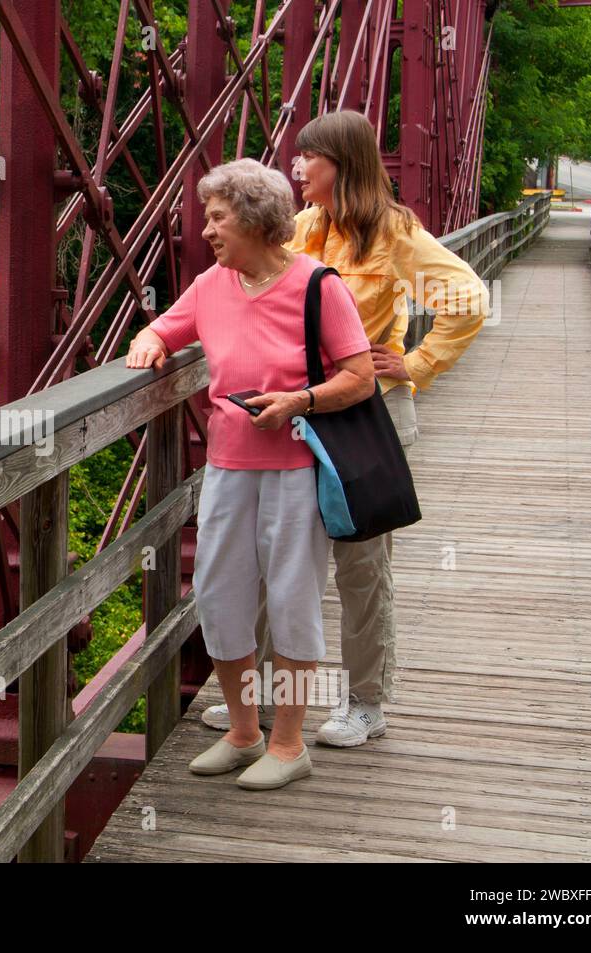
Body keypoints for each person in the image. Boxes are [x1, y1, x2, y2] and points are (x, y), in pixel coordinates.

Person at [201, 110, 490, 745]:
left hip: (365, 415)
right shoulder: (301, 227)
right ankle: (271, 698)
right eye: (297, 157)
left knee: (361, 566)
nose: (297, 167)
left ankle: (366, 702)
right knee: (284, 560)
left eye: (310, 157)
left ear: (344, 162)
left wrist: (415, 363)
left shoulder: (396, 234)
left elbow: (469, 299)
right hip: (297, 415)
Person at [126, 158, 374, 790]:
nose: (206, 231)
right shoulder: (211, 286)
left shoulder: (319, 285)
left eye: (217, 218)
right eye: (206, 218)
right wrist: (152, 339)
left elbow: (360, 376)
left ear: (259, 220)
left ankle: (289, 744)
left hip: (295, 469)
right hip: (229, 467)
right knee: (219, 595)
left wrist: (299, 401)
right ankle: (243, 733)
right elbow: (165, 324)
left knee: (292, 603)